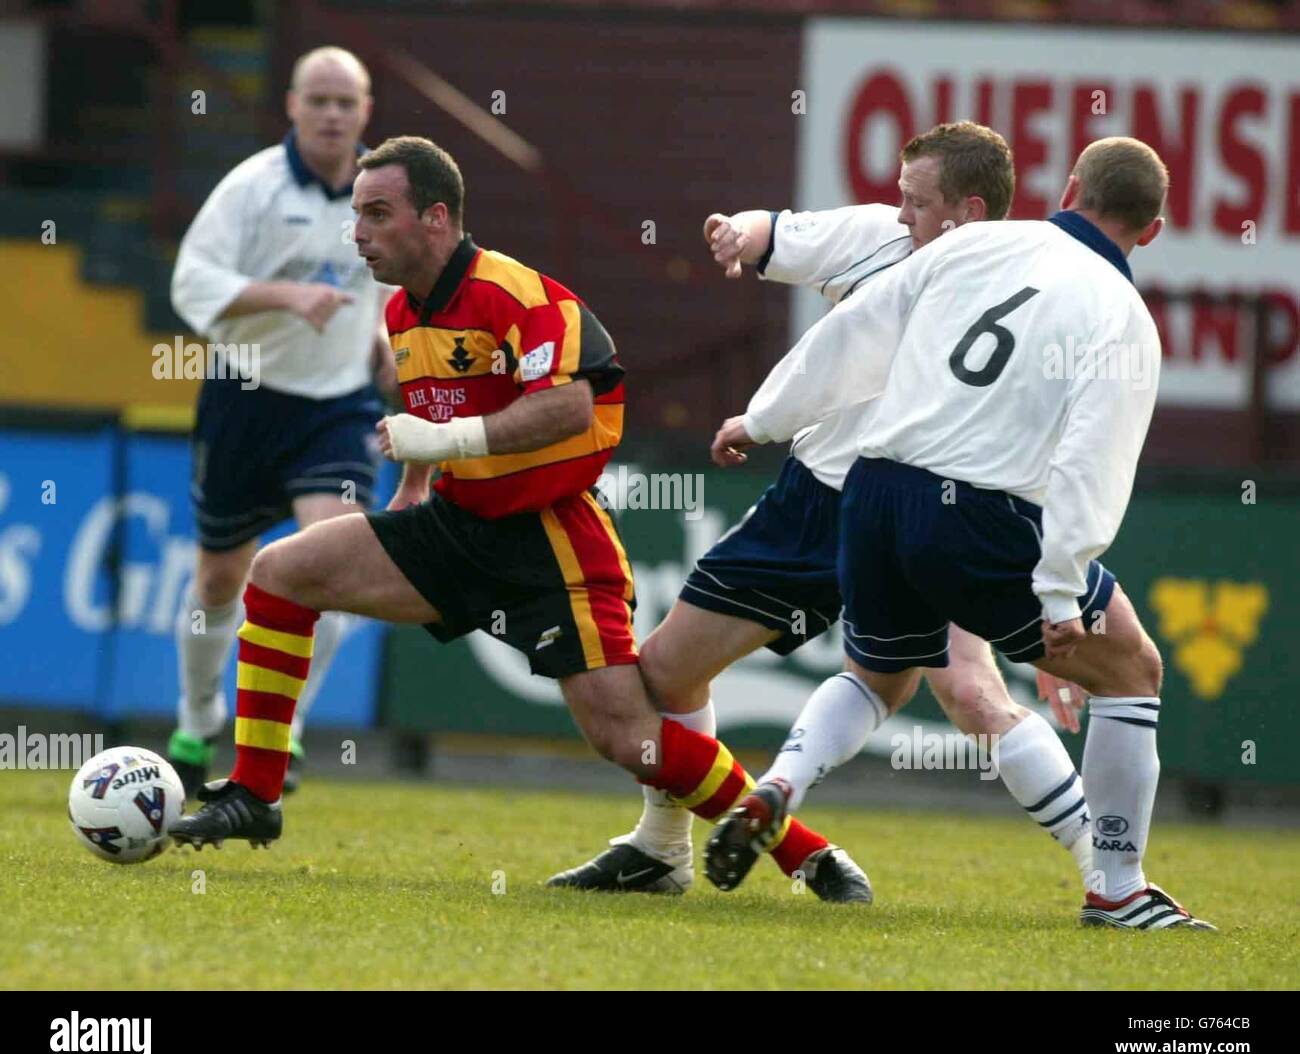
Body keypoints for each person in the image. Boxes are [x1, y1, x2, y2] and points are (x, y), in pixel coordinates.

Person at [167, 136, 864, 903]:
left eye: (376, 213)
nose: (356, 231)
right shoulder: (402, 307)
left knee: (626, 739)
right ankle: (255, 793)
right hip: (454, 522)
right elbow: (432, 405)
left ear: (436, 218)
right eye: (356, 213)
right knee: (279, 574)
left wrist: (446, 442)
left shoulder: (514, 293)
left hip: (548, 539)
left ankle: (805, 851)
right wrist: (414, 482)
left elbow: (568, 405)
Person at [549, 122, 1093, 898]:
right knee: (667, 672)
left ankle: (1108, 874)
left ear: (970, 211)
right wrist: (736, 233)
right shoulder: (877, 235)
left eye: (917, 201)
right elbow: (778, 235)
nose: (900, 212)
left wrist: (1038, 600)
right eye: (900, 195)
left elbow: (1049, 445)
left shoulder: (1028, 294)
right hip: (814, 505)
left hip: (932, 509)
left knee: (970, 695)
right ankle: (662, 847)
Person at [708, 136, 1215, 931]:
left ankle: (783, 784)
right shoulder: (1125, 318)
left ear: (1071, 185)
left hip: (872, 491)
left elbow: (858, 332)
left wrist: (763, 417)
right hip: (975, 510)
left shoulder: (976, 242)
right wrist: (1058, 585)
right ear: (1150, 231)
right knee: (1133, 667)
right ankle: (1117, 887)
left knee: (879, 677)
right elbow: (1092, 462)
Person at [167, 46, 395, 796]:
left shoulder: (387, 191)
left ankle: (282, 729)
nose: (332, 114)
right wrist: (285, 297)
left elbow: (400, 291)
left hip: (338, 406)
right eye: (318, 99)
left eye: (346, 101)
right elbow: (190, 281)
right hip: (245, 394)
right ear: (292, 105)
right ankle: (198, 718)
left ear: (364, 110)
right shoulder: (253, 186)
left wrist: (393, 356)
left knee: (328, 566)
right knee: (220, 577)